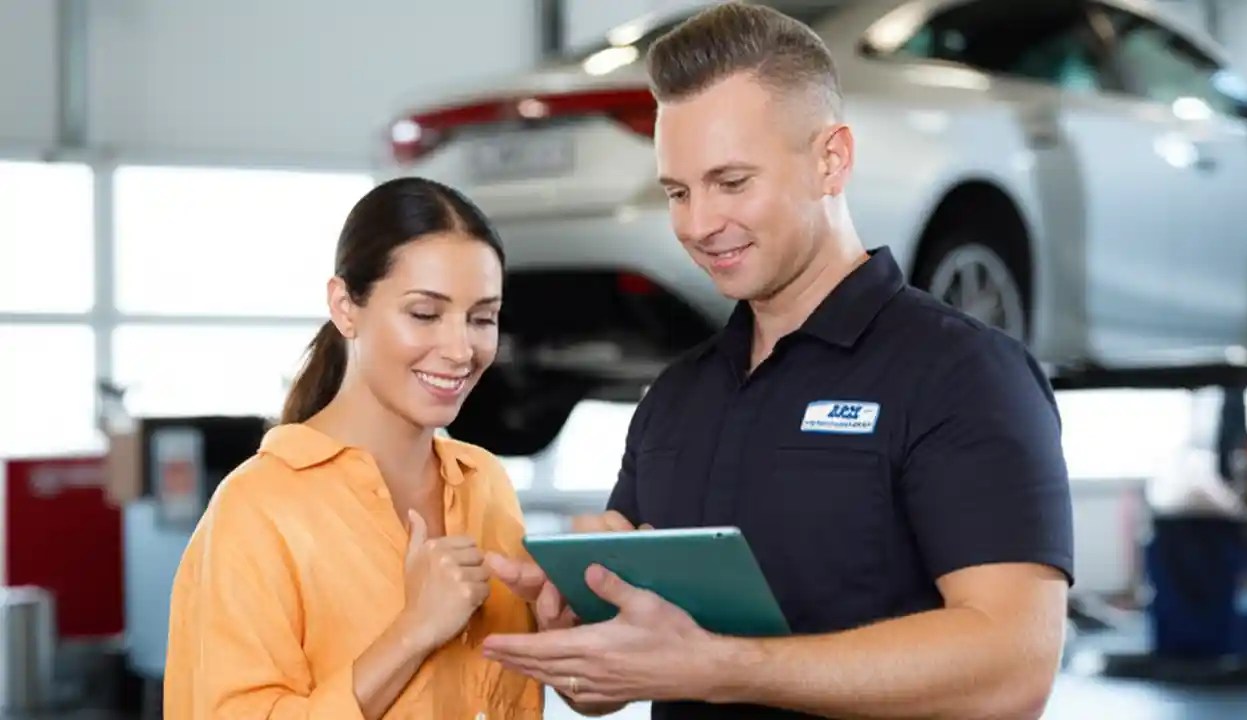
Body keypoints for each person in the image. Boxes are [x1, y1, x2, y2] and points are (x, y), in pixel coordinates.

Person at [482, 4, 1074, 719]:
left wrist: (727, 668)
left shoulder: (964, 374)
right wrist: (580, 630)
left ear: (832, 159)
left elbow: (1011, 669)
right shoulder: (675, 398)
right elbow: (617, 687)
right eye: (678, 191)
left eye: (732, 183)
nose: (699, 224)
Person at [164, 177, 546, 719]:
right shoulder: (256, 509)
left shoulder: (484, 483)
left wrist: (565, 626)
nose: (462, 349)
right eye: (425, 313)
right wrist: (412, 633)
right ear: (345, 306)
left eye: (482, 318)